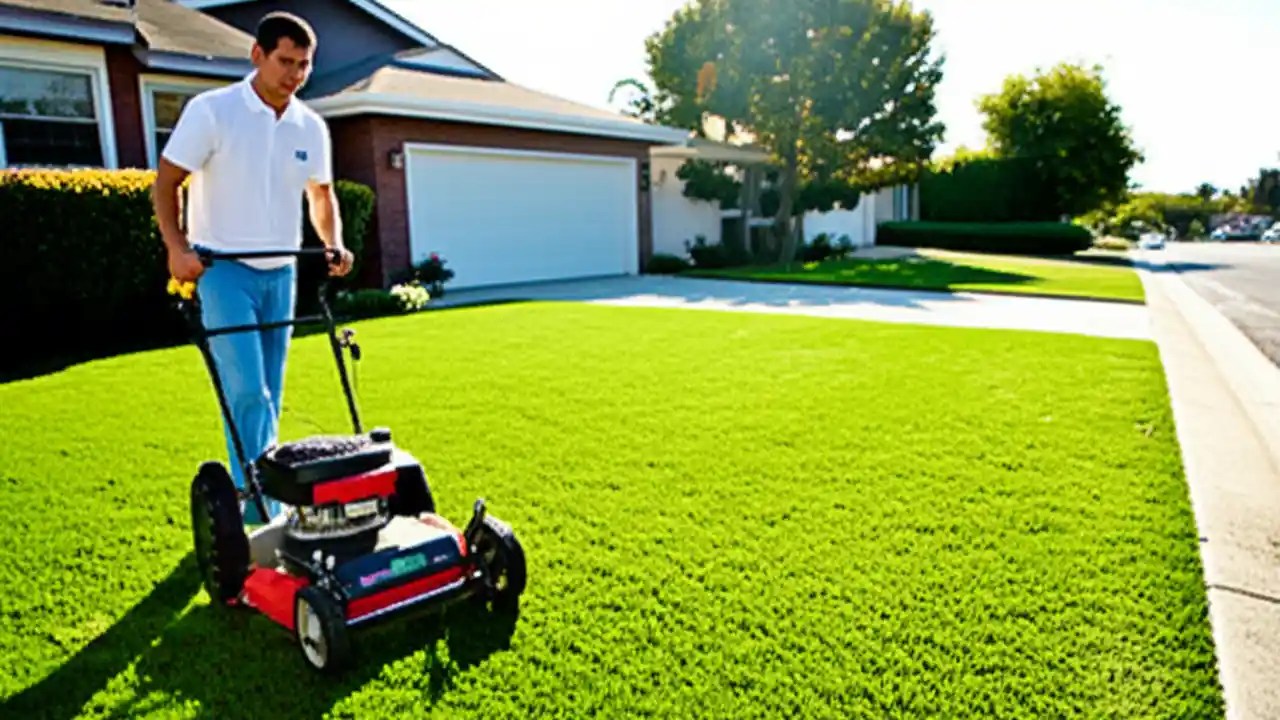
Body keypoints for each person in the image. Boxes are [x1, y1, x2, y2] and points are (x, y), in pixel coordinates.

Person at [152, 11, 353, 524]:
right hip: (222, 270)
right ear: (257, 55)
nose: (295, 74)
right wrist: (177, 248)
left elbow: (320, 194)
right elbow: (167, 181)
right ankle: (258, 504)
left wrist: (333, 243)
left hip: (281, 272)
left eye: (304, 65)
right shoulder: (213, 111)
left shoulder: (310, 125)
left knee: (271, 390)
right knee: (247, 389)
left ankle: (263, 489)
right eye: (285, 61)